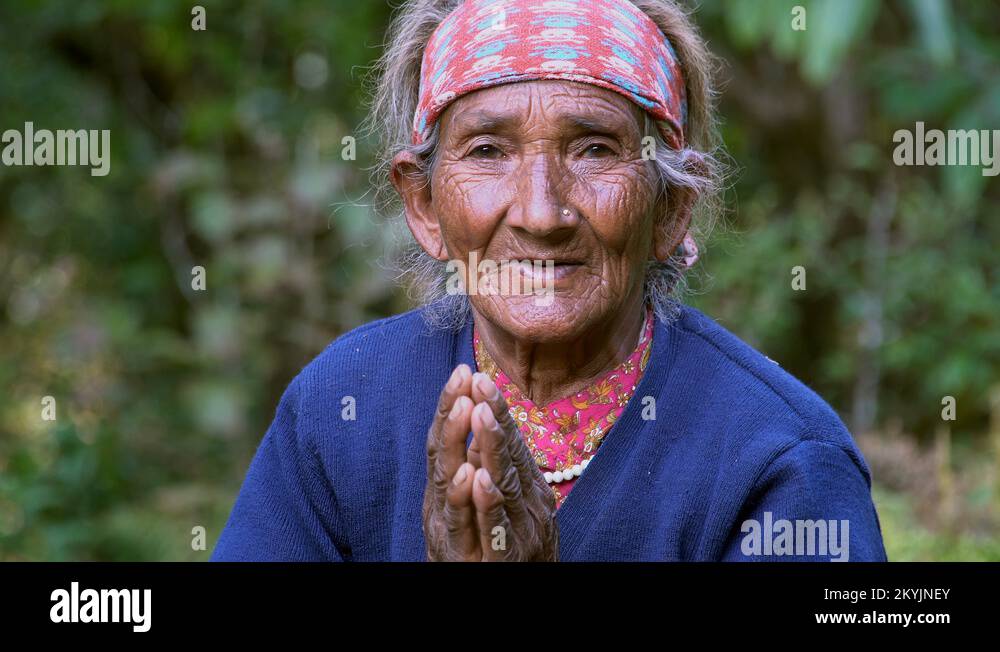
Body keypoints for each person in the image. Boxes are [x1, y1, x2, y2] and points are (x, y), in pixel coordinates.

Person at [211, 0, 888, 562]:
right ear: (424, 206)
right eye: (487, 151)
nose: (541, 213)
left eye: (595, 148)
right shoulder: (341, 408)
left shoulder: (782, 464)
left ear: (672, 209)